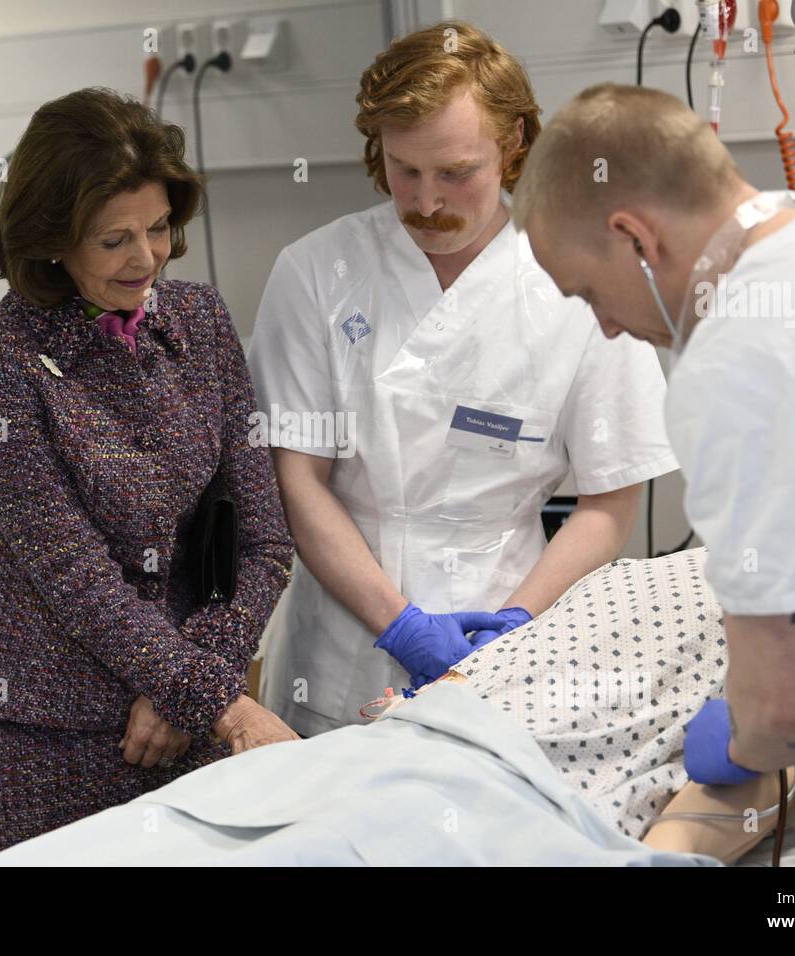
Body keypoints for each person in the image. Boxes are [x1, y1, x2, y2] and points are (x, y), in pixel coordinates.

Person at [512, 82, 795, 867]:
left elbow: (788, 714)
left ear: (635, 239)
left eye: (588, 293)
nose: (607, 324)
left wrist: (748, 740)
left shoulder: (732, 363)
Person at [247, 22, 678, 736]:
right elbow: (298, 479)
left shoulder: (576, 282)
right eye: (403, 169)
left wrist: (515, 622)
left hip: (510, 628)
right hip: (340, 646)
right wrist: (401, 625)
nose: (424, 201)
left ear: (513, 146)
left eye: (456, 172)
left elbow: (611, 496)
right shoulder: (317, 272)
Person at [0, 87, 298, 856]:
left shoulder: (200, 321)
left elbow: (265, 543)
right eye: (114, 241)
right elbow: (73, 574)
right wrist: (224, 707)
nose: (147, 259)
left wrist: (194, 682)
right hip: (51, 732)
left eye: (161, 228)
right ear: (50, 240)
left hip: (184, 711)